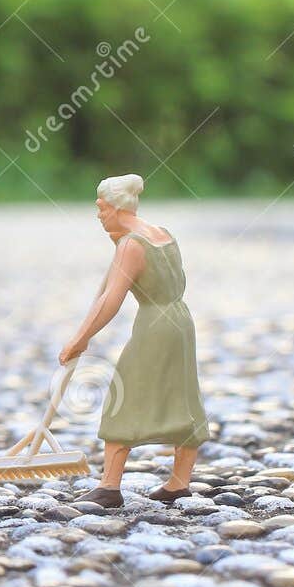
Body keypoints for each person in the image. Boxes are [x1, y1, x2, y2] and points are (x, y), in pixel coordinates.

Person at [59, 174, 209, 509]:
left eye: (101, 208)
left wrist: (79, 339)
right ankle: (179, 483)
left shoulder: (131, 245)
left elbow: (110, 300)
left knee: (124, 392)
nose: (99, 216)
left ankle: (110, 487)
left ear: (115, 207)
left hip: (155, 323)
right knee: (182, 395)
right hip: (181, 320)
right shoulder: (162, 234)